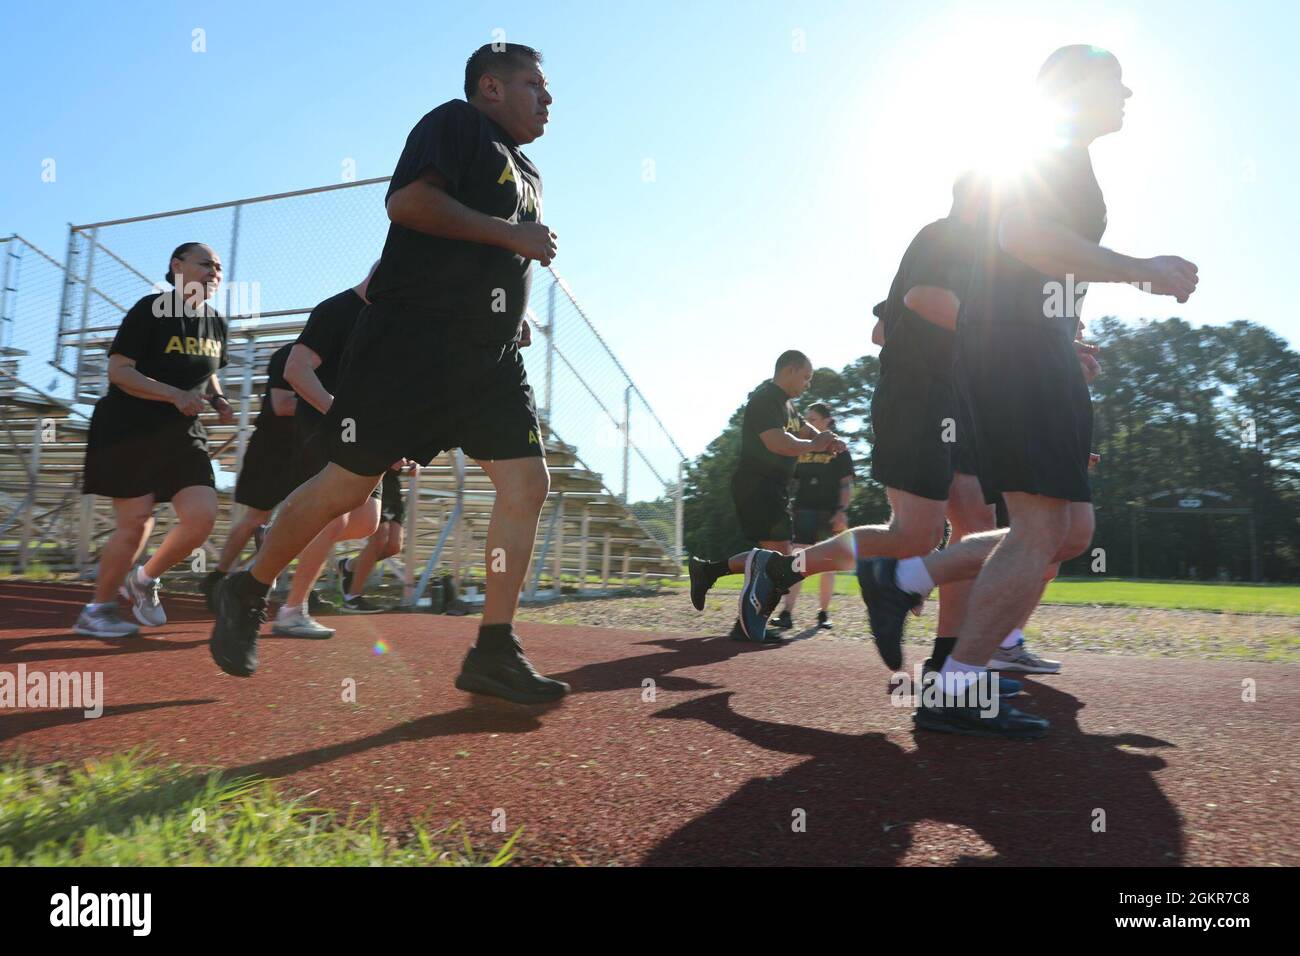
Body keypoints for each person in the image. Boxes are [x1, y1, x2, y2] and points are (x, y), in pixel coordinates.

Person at [211, 43, 565, 705]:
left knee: (527, 480)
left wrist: (507, 307)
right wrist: (513, 238)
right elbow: (407, 204)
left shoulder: (531, 172)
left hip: (486, 357)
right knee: (346, 487)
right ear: (490, 86)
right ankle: (248, 586)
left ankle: (494, 648)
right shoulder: (456, 124)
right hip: (411, 343)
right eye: (534, 85)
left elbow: (491, 255)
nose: (548, 99)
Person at [859, 45, 1198, 738]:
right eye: (1115, 81)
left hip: (1034, 346)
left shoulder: (1066, 155)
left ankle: (905, 581)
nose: (1128, 92)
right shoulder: (1051, 149)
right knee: (1040, 527)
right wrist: (1141, 270)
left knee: (1069, 532)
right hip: (1014, 348)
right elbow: (1024, 235)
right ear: (1074, 88)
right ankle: (957, 685)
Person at [76, 243, 233, 637]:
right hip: (130, 426)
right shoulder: (151, 310)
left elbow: (205, 368)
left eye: (218, 267)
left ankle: (144, 579)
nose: (213, 272)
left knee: (202, 516)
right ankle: (97, 609)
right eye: (205, 264)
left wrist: (217, 397)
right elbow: (119, 371)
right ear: (177, 267)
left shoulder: (215, 321)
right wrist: (173, 394)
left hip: (182, 432)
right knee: (135, 524)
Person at [713, 350, 846, 641]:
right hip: (757, 486)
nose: (807, 385)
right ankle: (748, 624)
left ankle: (720, 587)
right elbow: (779, 443)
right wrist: (816, 444)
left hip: (772, 489)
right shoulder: (765, 400)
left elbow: (803, 427)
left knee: (774, 558)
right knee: (779, 559)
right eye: (806, 377)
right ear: (788, 370)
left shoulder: (786, 404)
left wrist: (825, 440)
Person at [202, 341, 297, 610]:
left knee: (308, 520)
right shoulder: (289, 353)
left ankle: (296, 591)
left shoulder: (339, 361)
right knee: (256, 517)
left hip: (308, 448)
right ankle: (217, 578)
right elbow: (282, 405)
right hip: (273, 447)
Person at [779, 402, 853, 630]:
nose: (809, 423)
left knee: (828, 564)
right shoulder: (805, 446)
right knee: (798, 560)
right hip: (803, 510)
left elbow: (846, 484)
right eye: (807, 419)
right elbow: (789, 477)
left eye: (813, 419)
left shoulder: (838, 448)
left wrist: (842, 511)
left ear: (827, 421)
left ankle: (823, 614)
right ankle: (786, 612)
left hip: (829, 512)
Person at [337, 463, 411, 612]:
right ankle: (352, 598)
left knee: (393, 546)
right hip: (374, 481)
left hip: (393, 487)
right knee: (378, 539)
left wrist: (411, 464)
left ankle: (348, 566)